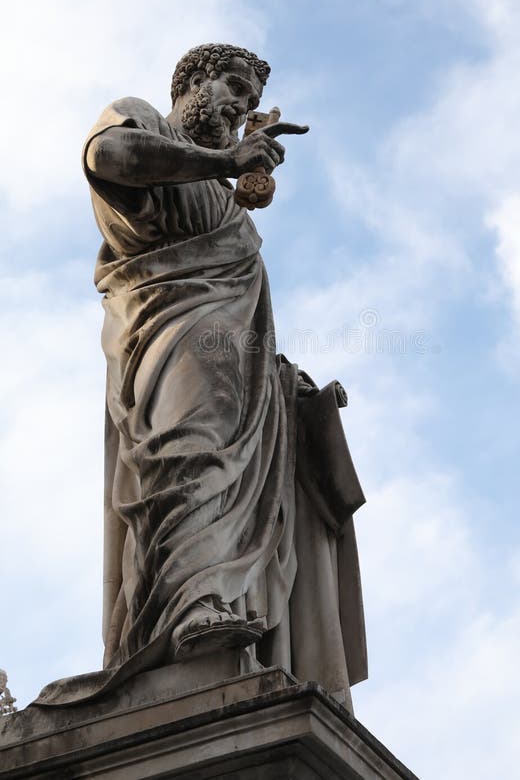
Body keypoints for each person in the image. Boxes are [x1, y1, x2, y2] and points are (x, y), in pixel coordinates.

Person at [36, 44, 367, 711]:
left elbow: (243, 323)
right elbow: (106, 159)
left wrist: (290, 388)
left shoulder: (227, 208)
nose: (241, 107)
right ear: (190, 83)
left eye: (249, 102)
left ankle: (219, 617)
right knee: (187, 460)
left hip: (233, 369)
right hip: (165, 337)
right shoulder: (140, 123)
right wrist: (225, 160)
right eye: (232, 88)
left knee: (223, 473)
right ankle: (191, 613)